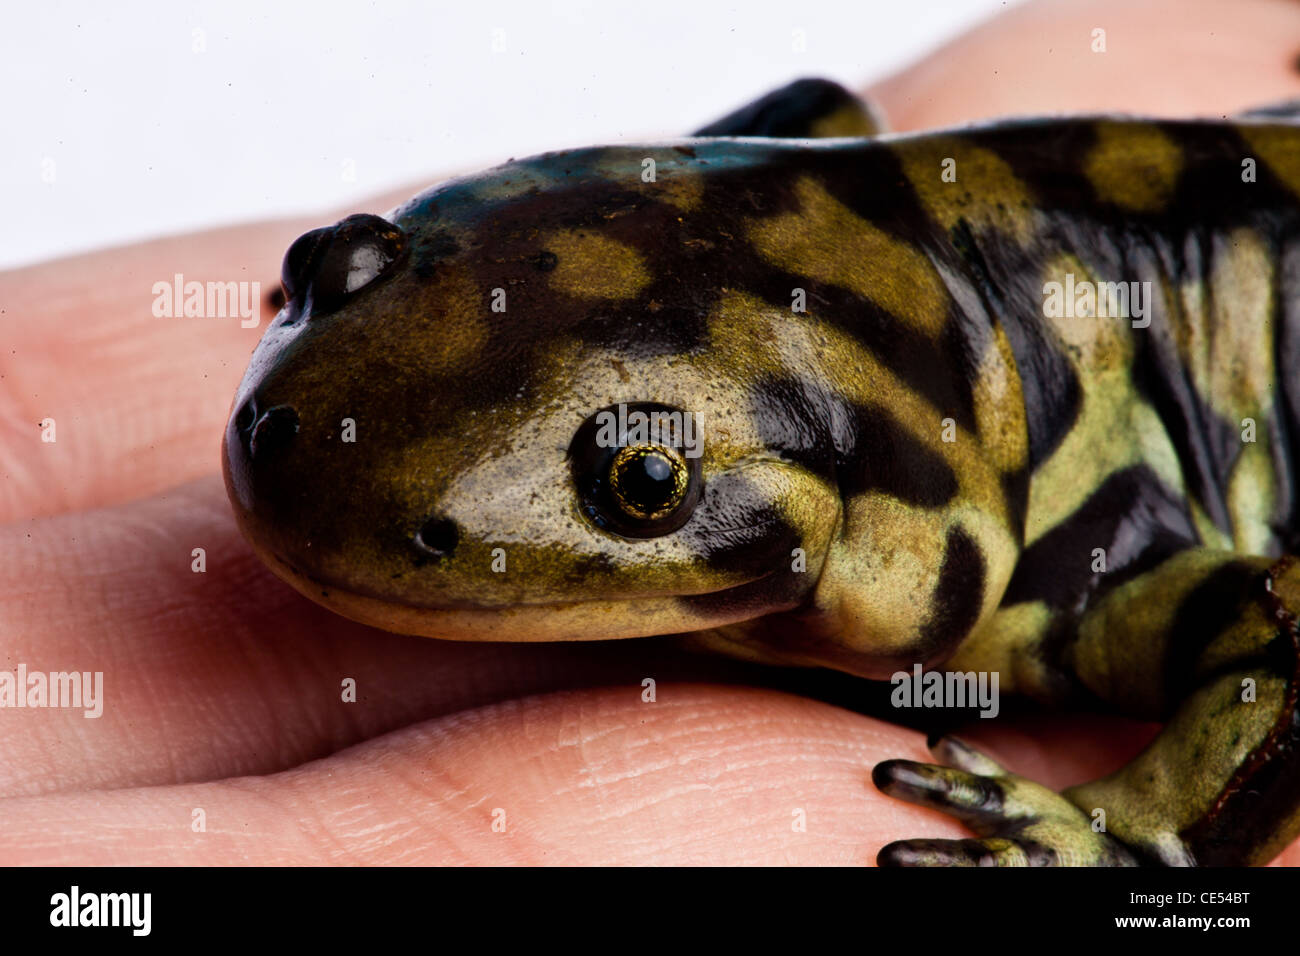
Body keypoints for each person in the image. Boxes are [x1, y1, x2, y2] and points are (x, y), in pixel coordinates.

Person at [5, 0, 1300, 864]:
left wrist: (1142, 847)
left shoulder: (1099, 575)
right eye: (340, 274)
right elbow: (806, 120)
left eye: (638, 480)